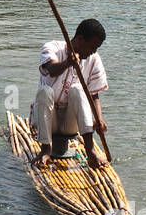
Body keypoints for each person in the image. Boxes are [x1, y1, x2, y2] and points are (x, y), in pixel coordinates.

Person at [30, 18, 109, 167]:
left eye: (96, 48)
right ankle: (45, 149)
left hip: (70, 123)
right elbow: (51, 70)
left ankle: (90, 150)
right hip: (47, 119)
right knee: (45, 91)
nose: (93, 51)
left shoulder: (94, 60)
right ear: (80, 39)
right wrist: (68, 63)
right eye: (92, 46)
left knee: (78, 89)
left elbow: (94, 94)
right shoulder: (52, 48)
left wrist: (99, 119)